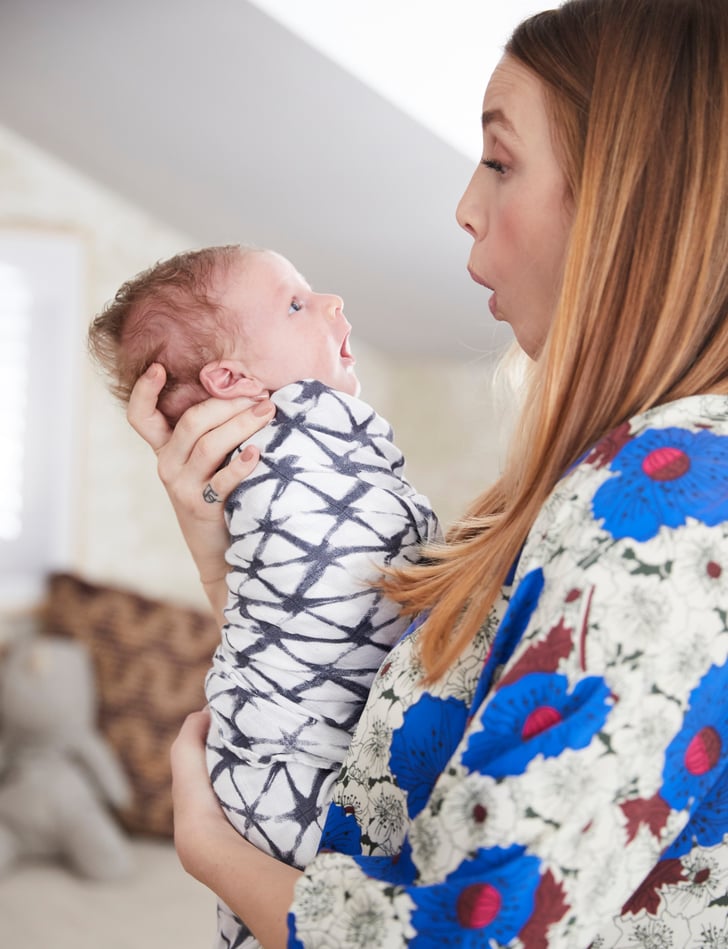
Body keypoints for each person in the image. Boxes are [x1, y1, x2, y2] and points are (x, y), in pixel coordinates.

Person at [127, 0, 728, 945]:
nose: (464, 203)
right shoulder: (626, 470)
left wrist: (210, 846)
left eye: (500, 160)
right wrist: (226, 563)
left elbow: (453, 934)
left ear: (631, 195)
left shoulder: (666, 495)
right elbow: (396, 721)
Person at [88, 246, 439, 949]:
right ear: (232, 379)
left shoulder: (312, 455)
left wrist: (209, 848)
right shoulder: (282, 457)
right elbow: (289, 621)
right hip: (287, 756)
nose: (332, 303)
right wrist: (209, 545)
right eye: (295, 303)